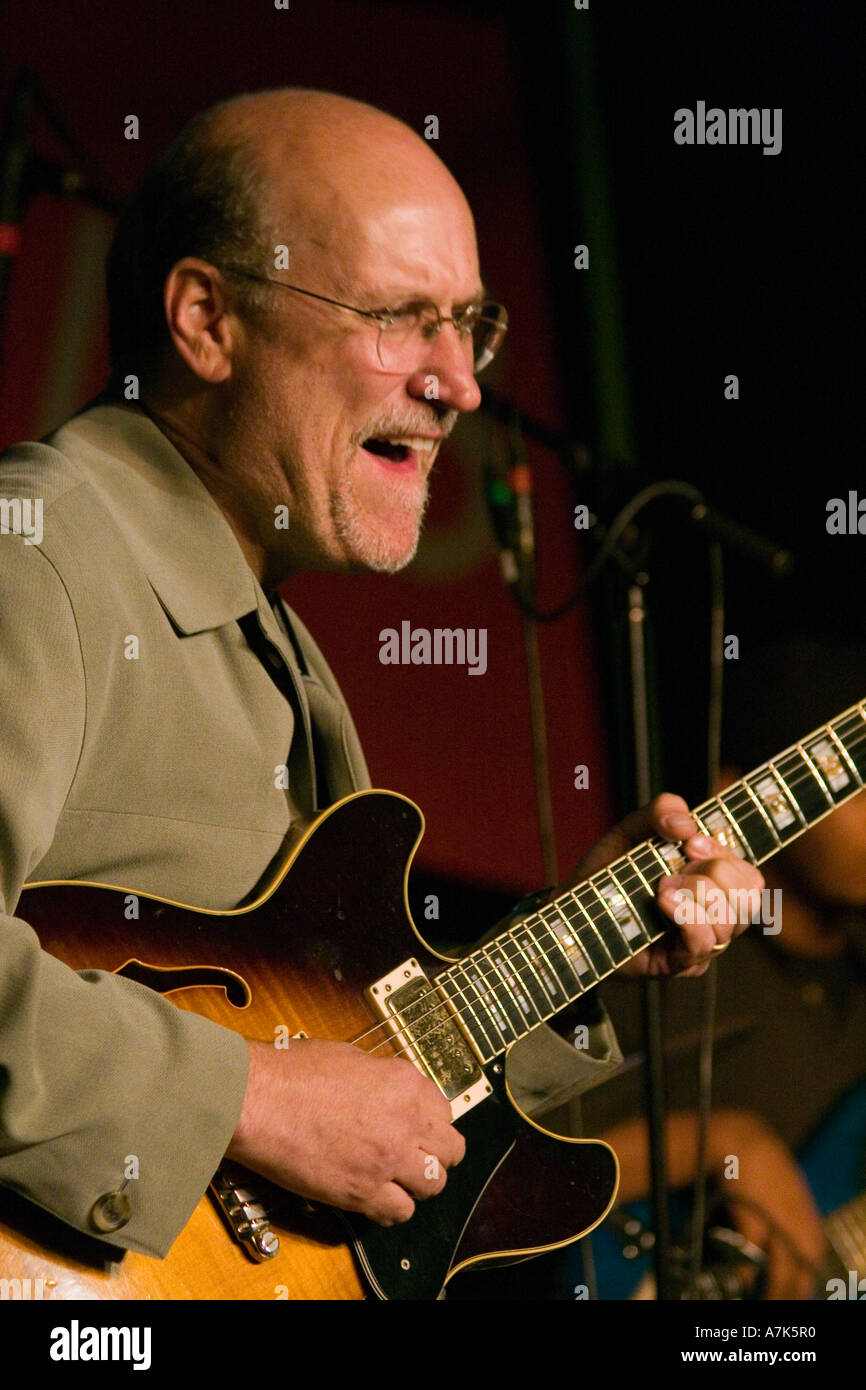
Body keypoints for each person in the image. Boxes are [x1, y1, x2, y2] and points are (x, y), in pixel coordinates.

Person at [0, 88, 763, 1275]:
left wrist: (592, 941)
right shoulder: (38, 553)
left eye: (470, 325)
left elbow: (363, 1053)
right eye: (400, 318)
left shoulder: (280, 647)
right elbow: (288, 1092)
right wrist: (248, 1099)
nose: (459, 383)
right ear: (205, 320)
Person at [582, 634, 866, 1299]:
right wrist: (721, 1144)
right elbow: (506, 1174)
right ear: (743, 794)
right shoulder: (653, 959)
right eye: (855, 789)